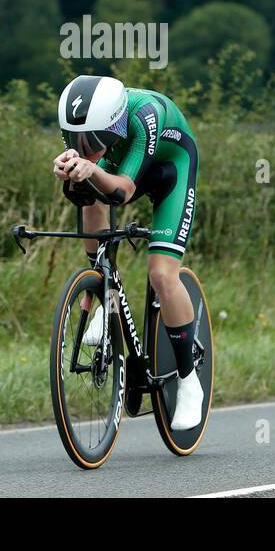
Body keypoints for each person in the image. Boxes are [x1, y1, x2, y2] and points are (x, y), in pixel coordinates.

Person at [53, 74, 203, 430]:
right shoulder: (96, 125)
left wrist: (90, 169)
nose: (83, 146)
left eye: (91, 141)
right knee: (88, 190)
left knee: (162, 274)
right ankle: (108, 295)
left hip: (171, 168)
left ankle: (188, 379)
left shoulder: (143, 117)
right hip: (127, 163)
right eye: (74, 140)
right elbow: (92, 185)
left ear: (114, 126)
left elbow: (123, 189)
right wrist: (70, 173)